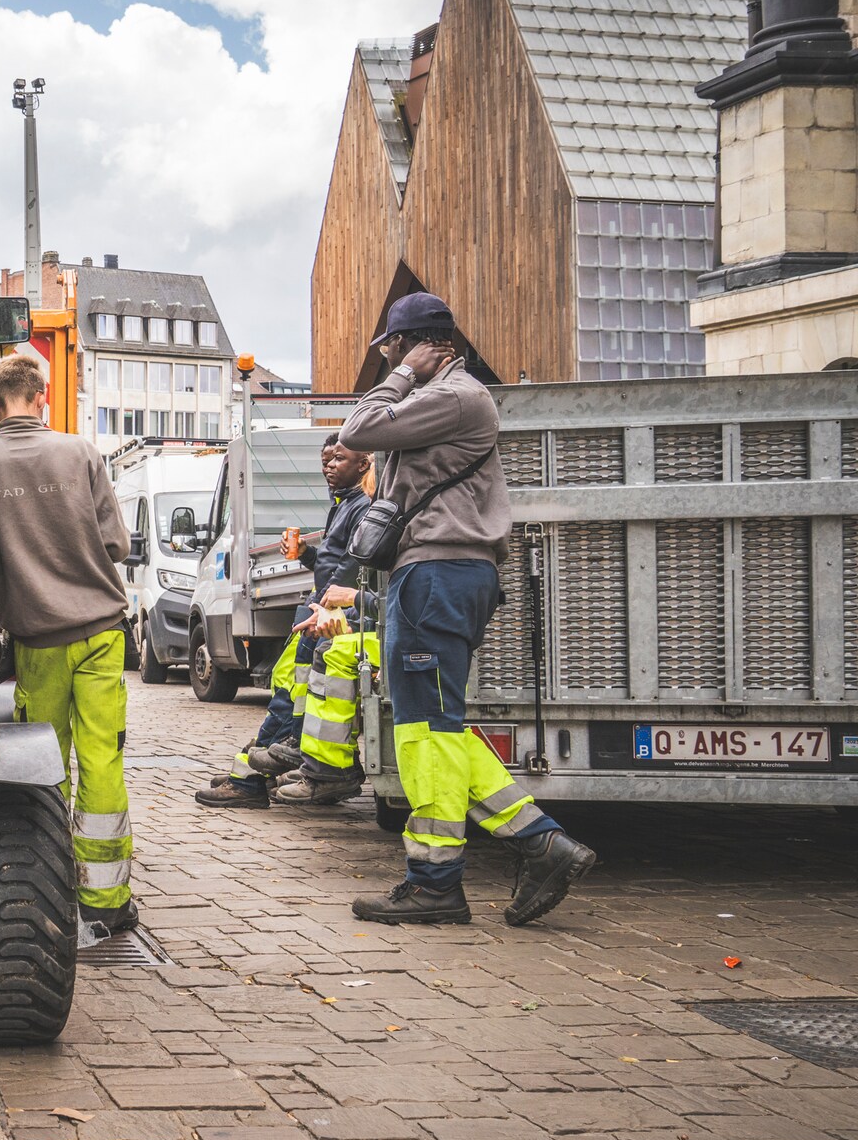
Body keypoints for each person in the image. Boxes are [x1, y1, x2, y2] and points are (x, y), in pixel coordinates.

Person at [317, 292, 595, 927]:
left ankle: (443, 878)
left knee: (430, 730)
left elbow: (357, 431)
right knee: (428, 728)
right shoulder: (440, 399)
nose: (386, 359)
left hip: (440, 573)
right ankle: (529, 842)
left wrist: (404, 372)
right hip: (434, 573)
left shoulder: (454, 395)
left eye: (391, 347)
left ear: (418, 344)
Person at [0, 348, 138, 932]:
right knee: (103, 756)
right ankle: (107, 901)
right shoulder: (80, 451)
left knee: (46, 765)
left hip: (37, 638)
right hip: (100, 630)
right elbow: (116, 545)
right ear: (42, 395)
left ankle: (51, 889)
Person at [195, 436, 373, 809]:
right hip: (317, 612)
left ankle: (250, 778)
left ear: (364, 464)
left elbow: (350, 569)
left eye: (339, 459)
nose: (329, 466)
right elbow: (333, 562)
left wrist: (322, 605)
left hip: (323, 616)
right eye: (325, 460)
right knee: (290, 691)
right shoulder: (343, 505)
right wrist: (308, 554)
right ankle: (263, 769)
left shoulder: (362, 507)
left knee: (291, 693)